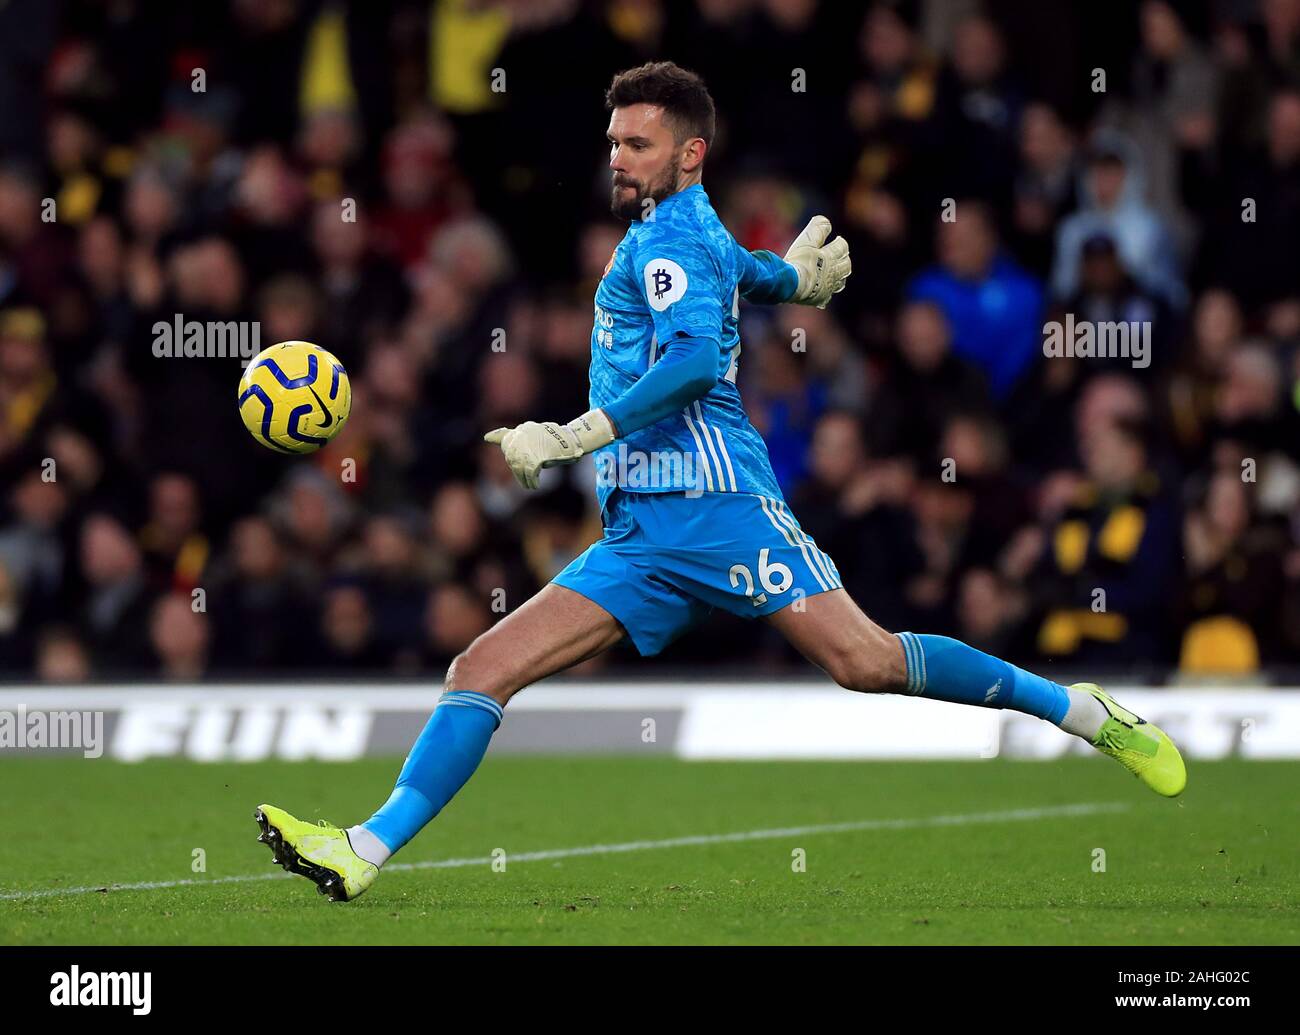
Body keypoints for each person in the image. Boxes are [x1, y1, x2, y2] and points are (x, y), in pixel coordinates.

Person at [255, 62, 1186, 903]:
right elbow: (739, 269)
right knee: (482, 670)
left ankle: (1079, 709)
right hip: (641, 536)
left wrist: (577, 432)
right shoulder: (678, 227)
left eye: (638, 142)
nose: (617, 156)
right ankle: (361, 850)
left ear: (689, 152)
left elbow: (699, 356)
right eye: (614, 139)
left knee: (866, 662)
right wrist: (794, 279)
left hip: (722, 508)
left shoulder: (669, 241)